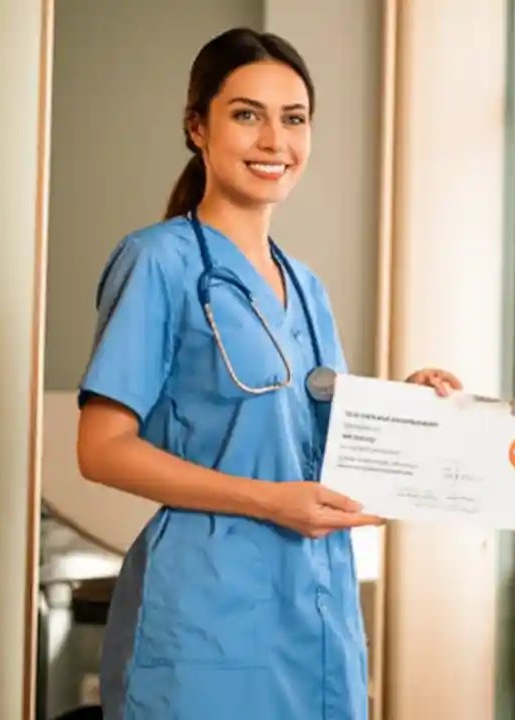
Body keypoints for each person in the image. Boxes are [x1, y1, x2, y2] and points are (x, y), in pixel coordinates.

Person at [75, 28, 461, 719]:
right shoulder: (158, 262)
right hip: (205, 605)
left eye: (294, 119)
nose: (273, 141)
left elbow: (320, 435)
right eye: (246, 114)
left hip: (314, 599)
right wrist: (269, 501)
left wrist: (406, 406)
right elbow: (101, 450)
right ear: (198, 127)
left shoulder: (304, 285)